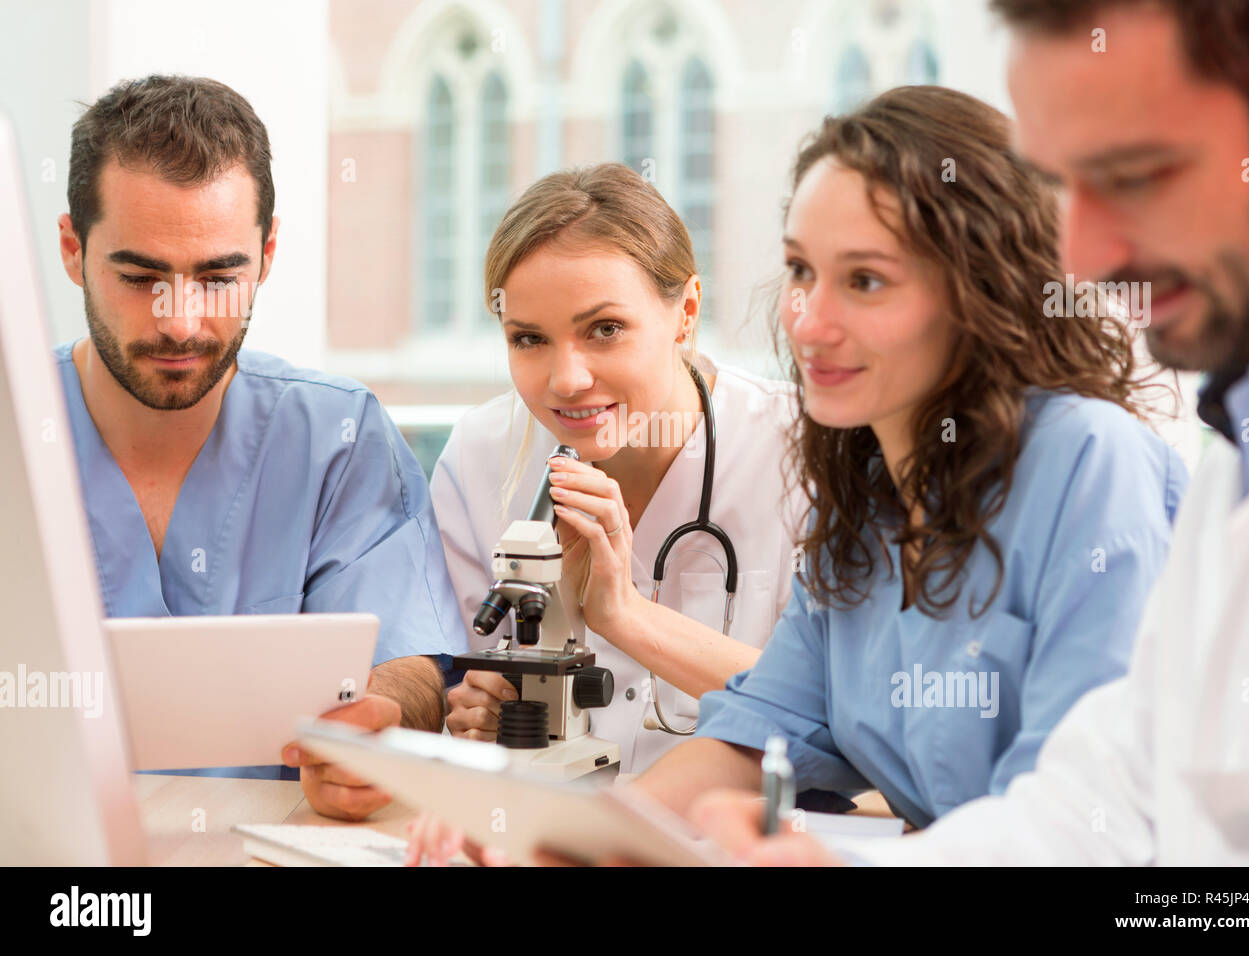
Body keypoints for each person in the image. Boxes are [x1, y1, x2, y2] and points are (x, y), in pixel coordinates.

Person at [410, 86, 1189, 866]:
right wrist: (560, 844)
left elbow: (1089, 821)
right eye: (801, 271)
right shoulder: (865, 497)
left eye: (867, 281)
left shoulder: (1091, 466)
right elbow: (762, 724)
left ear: (980, 289)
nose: (810, 321)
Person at [680, 0, 1249, 866]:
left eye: (1133, 175)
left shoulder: (1095, 463)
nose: (1082, 256)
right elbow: (1097, 805)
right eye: (800, 270)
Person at [54, 74, 463, 820]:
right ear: (72, 250)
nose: (180, 322)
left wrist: (383, 720)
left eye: (218, 277)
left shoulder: (336, 439)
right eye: (141, 277)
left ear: (267, 255)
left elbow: (408, 663)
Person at [429, 163, 805, 773]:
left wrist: (624, 615)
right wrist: (476, 713)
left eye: (605, 330)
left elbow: (829, 711)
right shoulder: (479, 456)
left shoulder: (800, 453)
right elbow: (467, 683)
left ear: (686, 311)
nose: (567, 381)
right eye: (528, 339)